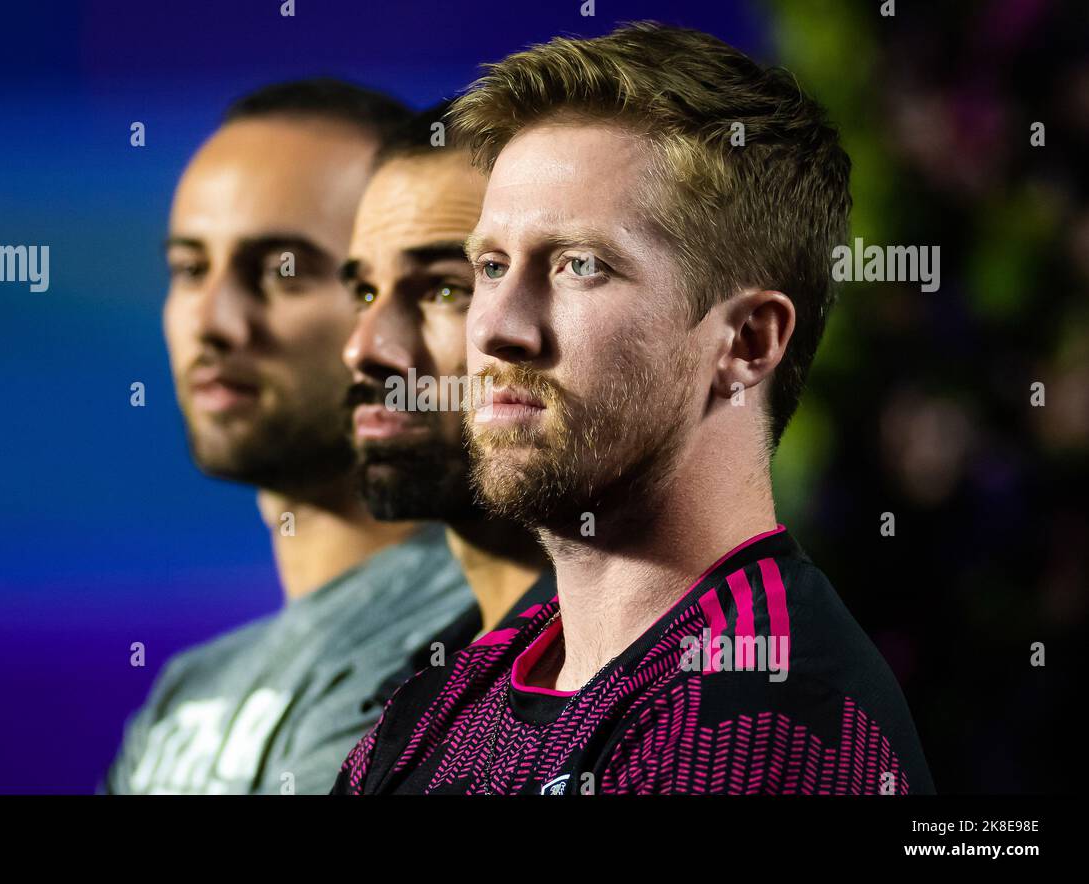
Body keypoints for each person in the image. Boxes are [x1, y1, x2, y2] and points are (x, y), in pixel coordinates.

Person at [335, 24, 934, 795]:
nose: (493, 328)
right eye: (488, 265)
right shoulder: (458, 687)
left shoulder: (762, 722)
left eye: (579, 265)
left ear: (748, 342)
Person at [105, 80, 470, 795]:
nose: (215, 322)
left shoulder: (492, 644)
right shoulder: (192, 689)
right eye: (190, 269)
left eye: (283, 270)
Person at [339, 103, 554, 713]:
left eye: (444, 288)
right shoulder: (410, 697)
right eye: (364, 292)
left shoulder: (685, 694)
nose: (362, 349)